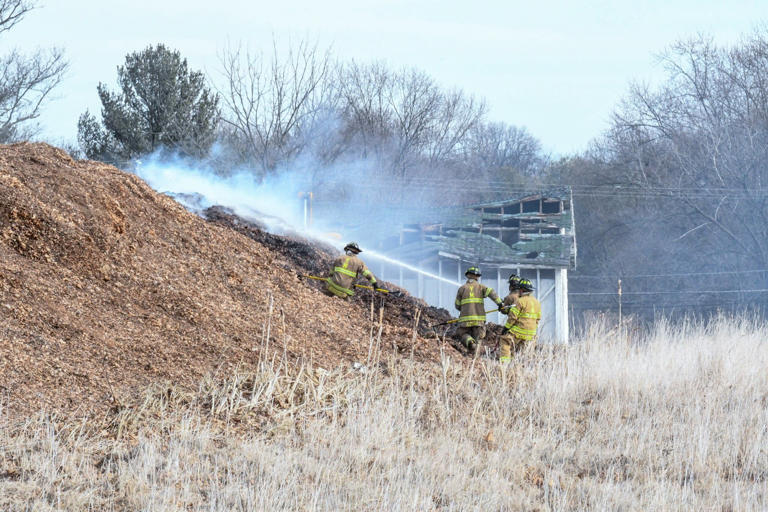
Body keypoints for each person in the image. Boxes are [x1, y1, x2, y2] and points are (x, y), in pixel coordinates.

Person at [454, 266, 503, 354]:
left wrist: (465, 309)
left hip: (465, 321)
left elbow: (457, 306)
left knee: (462, 334)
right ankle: (475, 358)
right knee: (478, 339)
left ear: (467, 275)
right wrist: (500, 304)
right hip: (479, 320)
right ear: (477, 277)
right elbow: (492, 292)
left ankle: (469, 342)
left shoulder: (461, 289)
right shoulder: (481, 287)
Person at [499, 278, 541, 363]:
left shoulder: (520, 301)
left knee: (505, 341)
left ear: (521, 290)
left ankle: (505, 364)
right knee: (523, 351)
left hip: (518, 331)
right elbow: (538, 319)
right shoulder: (536, 302)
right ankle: (520, 365)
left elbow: (512, 317)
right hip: (531, 334)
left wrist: (506, 329)